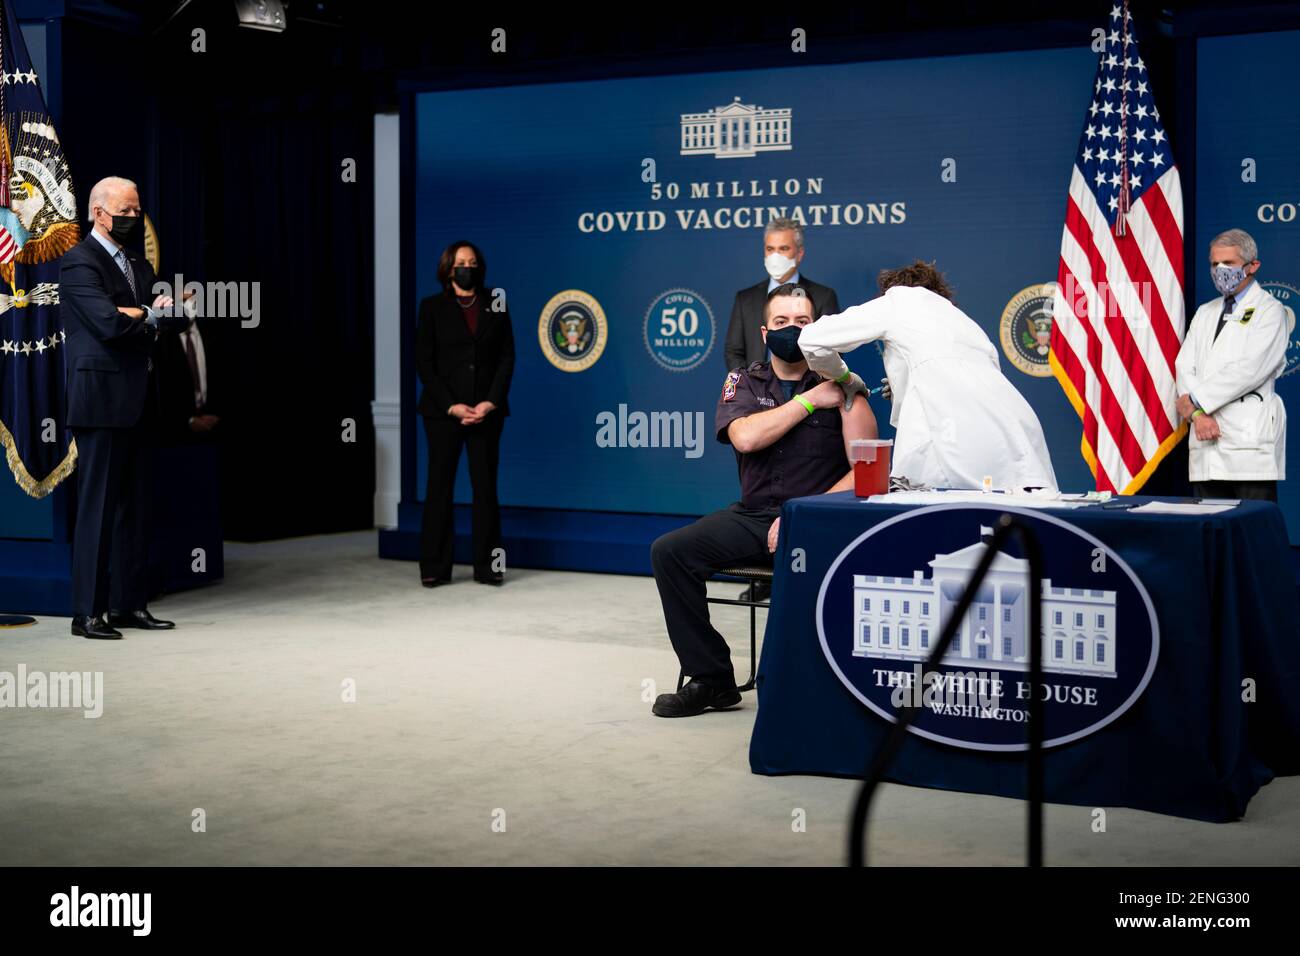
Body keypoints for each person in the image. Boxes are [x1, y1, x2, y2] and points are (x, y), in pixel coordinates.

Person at [650, 284, 878, 718]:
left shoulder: (845, 386)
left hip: (816, 522)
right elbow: (746, 437)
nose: (791, 329)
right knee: (671, 552)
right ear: (764, 331)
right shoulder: (743, 381)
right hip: (753, 516)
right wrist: (810, 401)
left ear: (818, 329)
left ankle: (807, 683)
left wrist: (802, 514)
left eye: (802, 322)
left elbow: (866, 470)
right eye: (781, 322)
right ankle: (712, 679)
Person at [797, 260, 1058, 492]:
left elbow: (812, 339)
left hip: (953, 443)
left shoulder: (899, 299)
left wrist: (845, 378)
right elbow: (955, 379)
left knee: (934, 525)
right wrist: (902, 389)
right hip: (1018, 437)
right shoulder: (968, 324)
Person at [61, 176, 188, 639]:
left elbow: (177, 317)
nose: (134, 217)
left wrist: (143, 313)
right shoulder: (79, 262)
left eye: (137, 210)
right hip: (101, 401)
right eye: (125, 211)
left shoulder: (138, 263)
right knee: (98, 508)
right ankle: (87, 613)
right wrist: (150, 313)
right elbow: (107, 325)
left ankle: (129, 604)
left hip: (140, 400)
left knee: (136, 508)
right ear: (99, 213)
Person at [415, 240, 515, 587]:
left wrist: (490, 402)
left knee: (485, 490)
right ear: (448, 268)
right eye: (461, 263)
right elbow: (424, 363)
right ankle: (434, 567)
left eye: (472, 263)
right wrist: (452, 406)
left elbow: (506, 358)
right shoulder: (431, 307)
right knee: (439, 489)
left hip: (487, 413)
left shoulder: (496, 302)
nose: (467, 268)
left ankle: (489, 567)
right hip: (443, 414)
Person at [1175, 229, 1287, 501]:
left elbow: (1249, 369)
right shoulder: (1205, 312)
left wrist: (1195, 402)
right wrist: (1198, 415)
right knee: (1209, 523)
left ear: (1252, 266)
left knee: (1252, 523)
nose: (1220, 271)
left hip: (1248, 441)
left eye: (1228, 263)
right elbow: (1184, 365)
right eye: (1215, 264)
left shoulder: (1270, 311)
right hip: (1204, 440)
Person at [723, 217, 840, 370]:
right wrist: (750, 381)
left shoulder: (823, 297)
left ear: (799, 253)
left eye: (783, 249)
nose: (775, 256)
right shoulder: (745, 299)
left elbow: (832, 350)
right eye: (770, 249)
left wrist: (811, 383)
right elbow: (733, 352)